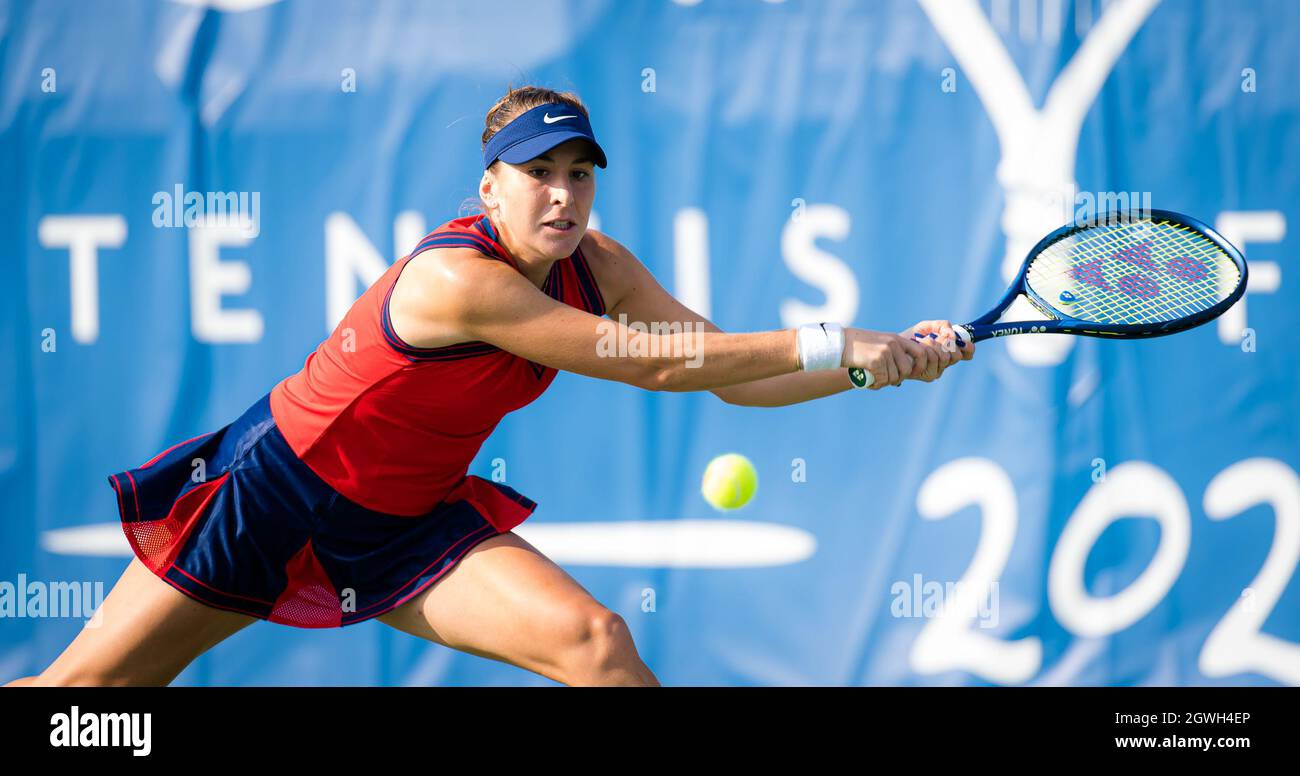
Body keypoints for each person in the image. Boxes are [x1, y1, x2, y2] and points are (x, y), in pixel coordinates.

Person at [5, 85, 972, 688]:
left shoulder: (603, 262)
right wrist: (830, 336)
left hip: (406, 518)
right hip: (273, 495)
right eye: (538, 173)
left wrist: (862, 367)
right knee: (87, 703)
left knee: (597, 644)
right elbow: (667, 362)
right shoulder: (456, 280)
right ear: (490, 190)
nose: (563, 194)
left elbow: (729, 378)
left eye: (579, 175)